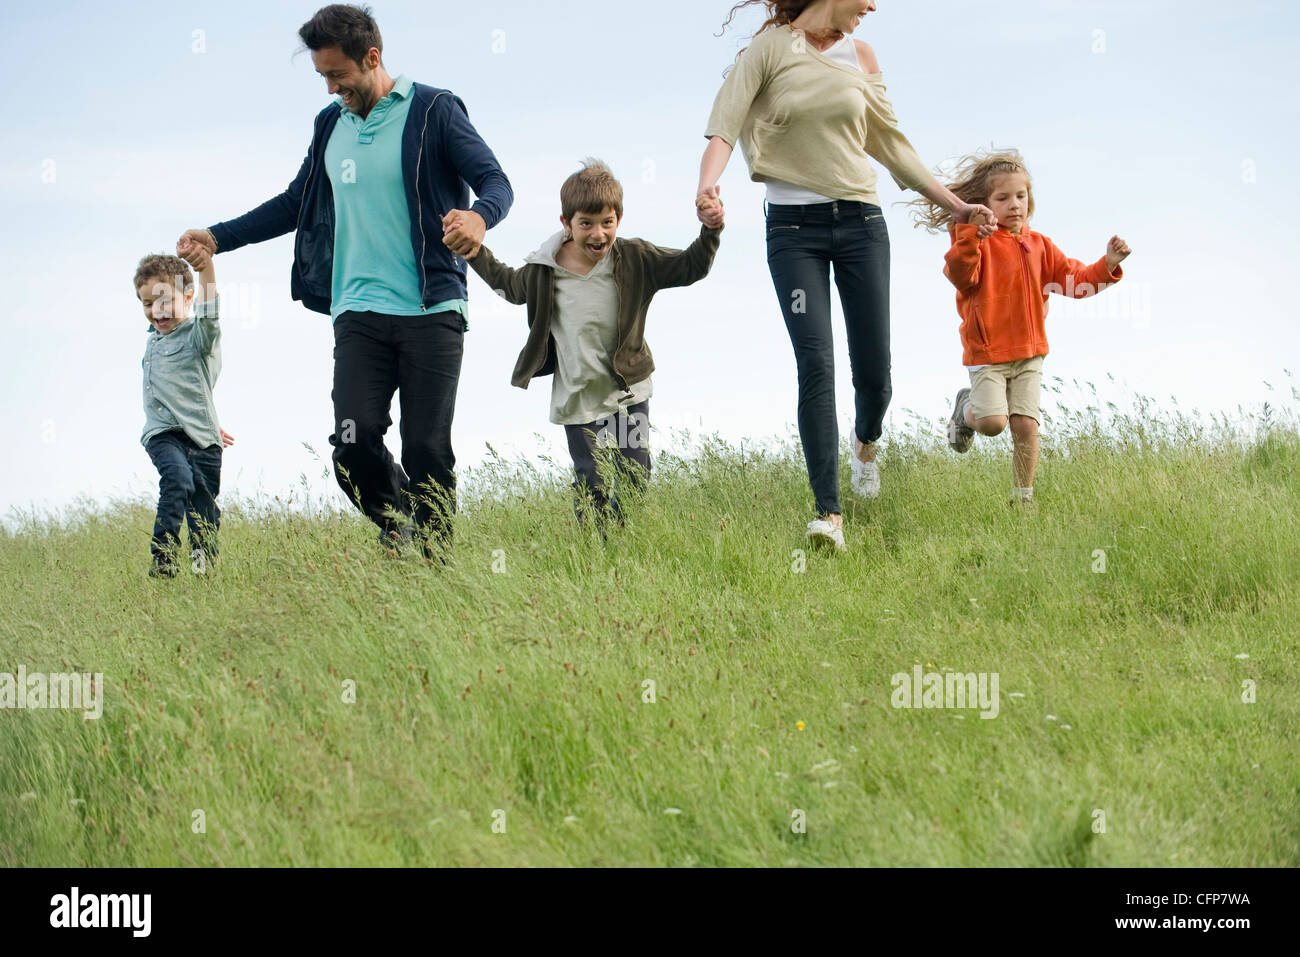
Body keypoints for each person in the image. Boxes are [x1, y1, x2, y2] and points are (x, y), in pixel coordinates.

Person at [177, 3, 513, 560]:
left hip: (431, 308)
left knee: (427, 448)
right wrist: (217, 237)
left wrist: (479, 217)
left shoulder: (434, 111)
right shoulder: (330, 125)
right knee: (352, 447)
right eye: (323, 77)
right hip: (358, 310)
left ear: (372, 57)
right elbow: (295, 202)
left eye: (338, 75)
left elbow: (495, 181)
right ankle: (402, 527)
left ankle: (434, 563)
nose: (331, 88)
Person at [697, 0, 996, 551]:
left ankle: (866, 444)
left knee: (875, 374)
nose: (873, 5)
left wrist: (955, 206)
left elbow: (889, 143)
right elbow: (725, 123)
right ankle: (828, 515)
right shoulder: (769, 50)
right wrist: (707, 188)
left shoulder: (861, 55)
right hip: (792, 233)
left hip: (861, 225)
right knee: (816, 362)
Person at [456, 159, 724, 528]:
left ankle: (615, 541)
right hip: (578, 398)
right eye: (586, 224)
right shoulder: (544, 269)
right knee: (591, 482)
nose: (598, 233)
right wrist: (475, 252)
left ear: (619, 219)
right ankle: (593, 551)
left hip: (627, 392)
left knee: (635, 474)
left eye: (607, 223)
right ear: (566, 223)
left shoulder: (635, 258)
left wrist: (711, 230)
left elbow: (689, 267)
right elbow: (510, 287)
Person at [911, 149, 1130, 504]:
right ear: (984, 204)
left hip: (1031, 353)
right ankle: (967, 412)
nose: (1014, 204)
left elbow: (1074, 280)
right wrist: (969, 235)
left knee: (1026, 425)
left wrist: (1107, 264)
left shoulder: (1040, 245)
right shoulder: (975, 241)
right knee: (993, 424)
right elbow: (960, 276)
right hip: (988, 353)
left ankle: (1023, 497)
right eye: (1003, 198)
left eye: (1021, 196)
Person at [134, 251, 228, 578]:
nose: (156, 311)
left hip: (203, 440)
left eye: (164, 301)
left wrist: (207, 268)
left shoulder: (198, 338)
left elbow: (210, 314)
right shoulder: (152, 341)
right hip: (163, 435)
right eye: (147, 304)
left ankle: (202, 575)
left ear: (188, 297)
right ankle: (164, 558)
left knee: (203, 516)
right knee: (177, 479)